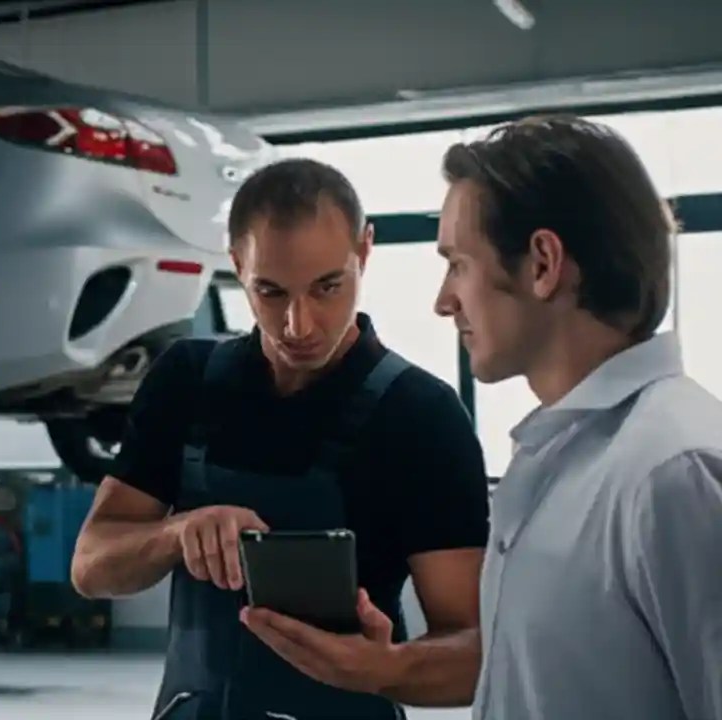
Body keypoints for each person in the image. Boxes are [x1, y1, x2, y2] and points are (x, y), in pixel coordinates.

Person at [70, 157, 492, 720]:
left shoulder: (422, 415)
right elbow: (91, 568)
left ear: (364, 251)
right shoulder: (185, 380)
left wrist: (383, 667)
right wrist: (178, 533)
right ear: (237, 264)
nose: (299, 325)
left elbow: (474, 655)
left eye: (327, 287)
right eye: (270, 291)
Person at [427, 114, 722, 720]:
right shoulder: (558, 457)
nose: (443, 301)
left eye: (458, 263)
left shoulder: (674, 472)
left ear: (543, 263)